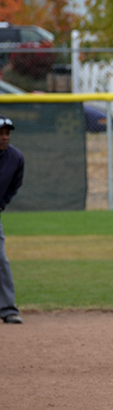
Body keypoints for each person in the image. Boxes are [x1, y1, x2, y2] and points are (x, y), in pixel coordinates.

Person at [0, 115, 23, 324]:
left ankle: (7, 309)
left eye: (7, 133)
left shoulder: (15, 158)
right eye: (1, 133)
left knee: (1, 260)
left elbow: (15, 184)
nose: (5, 137)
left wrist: (2, 203)